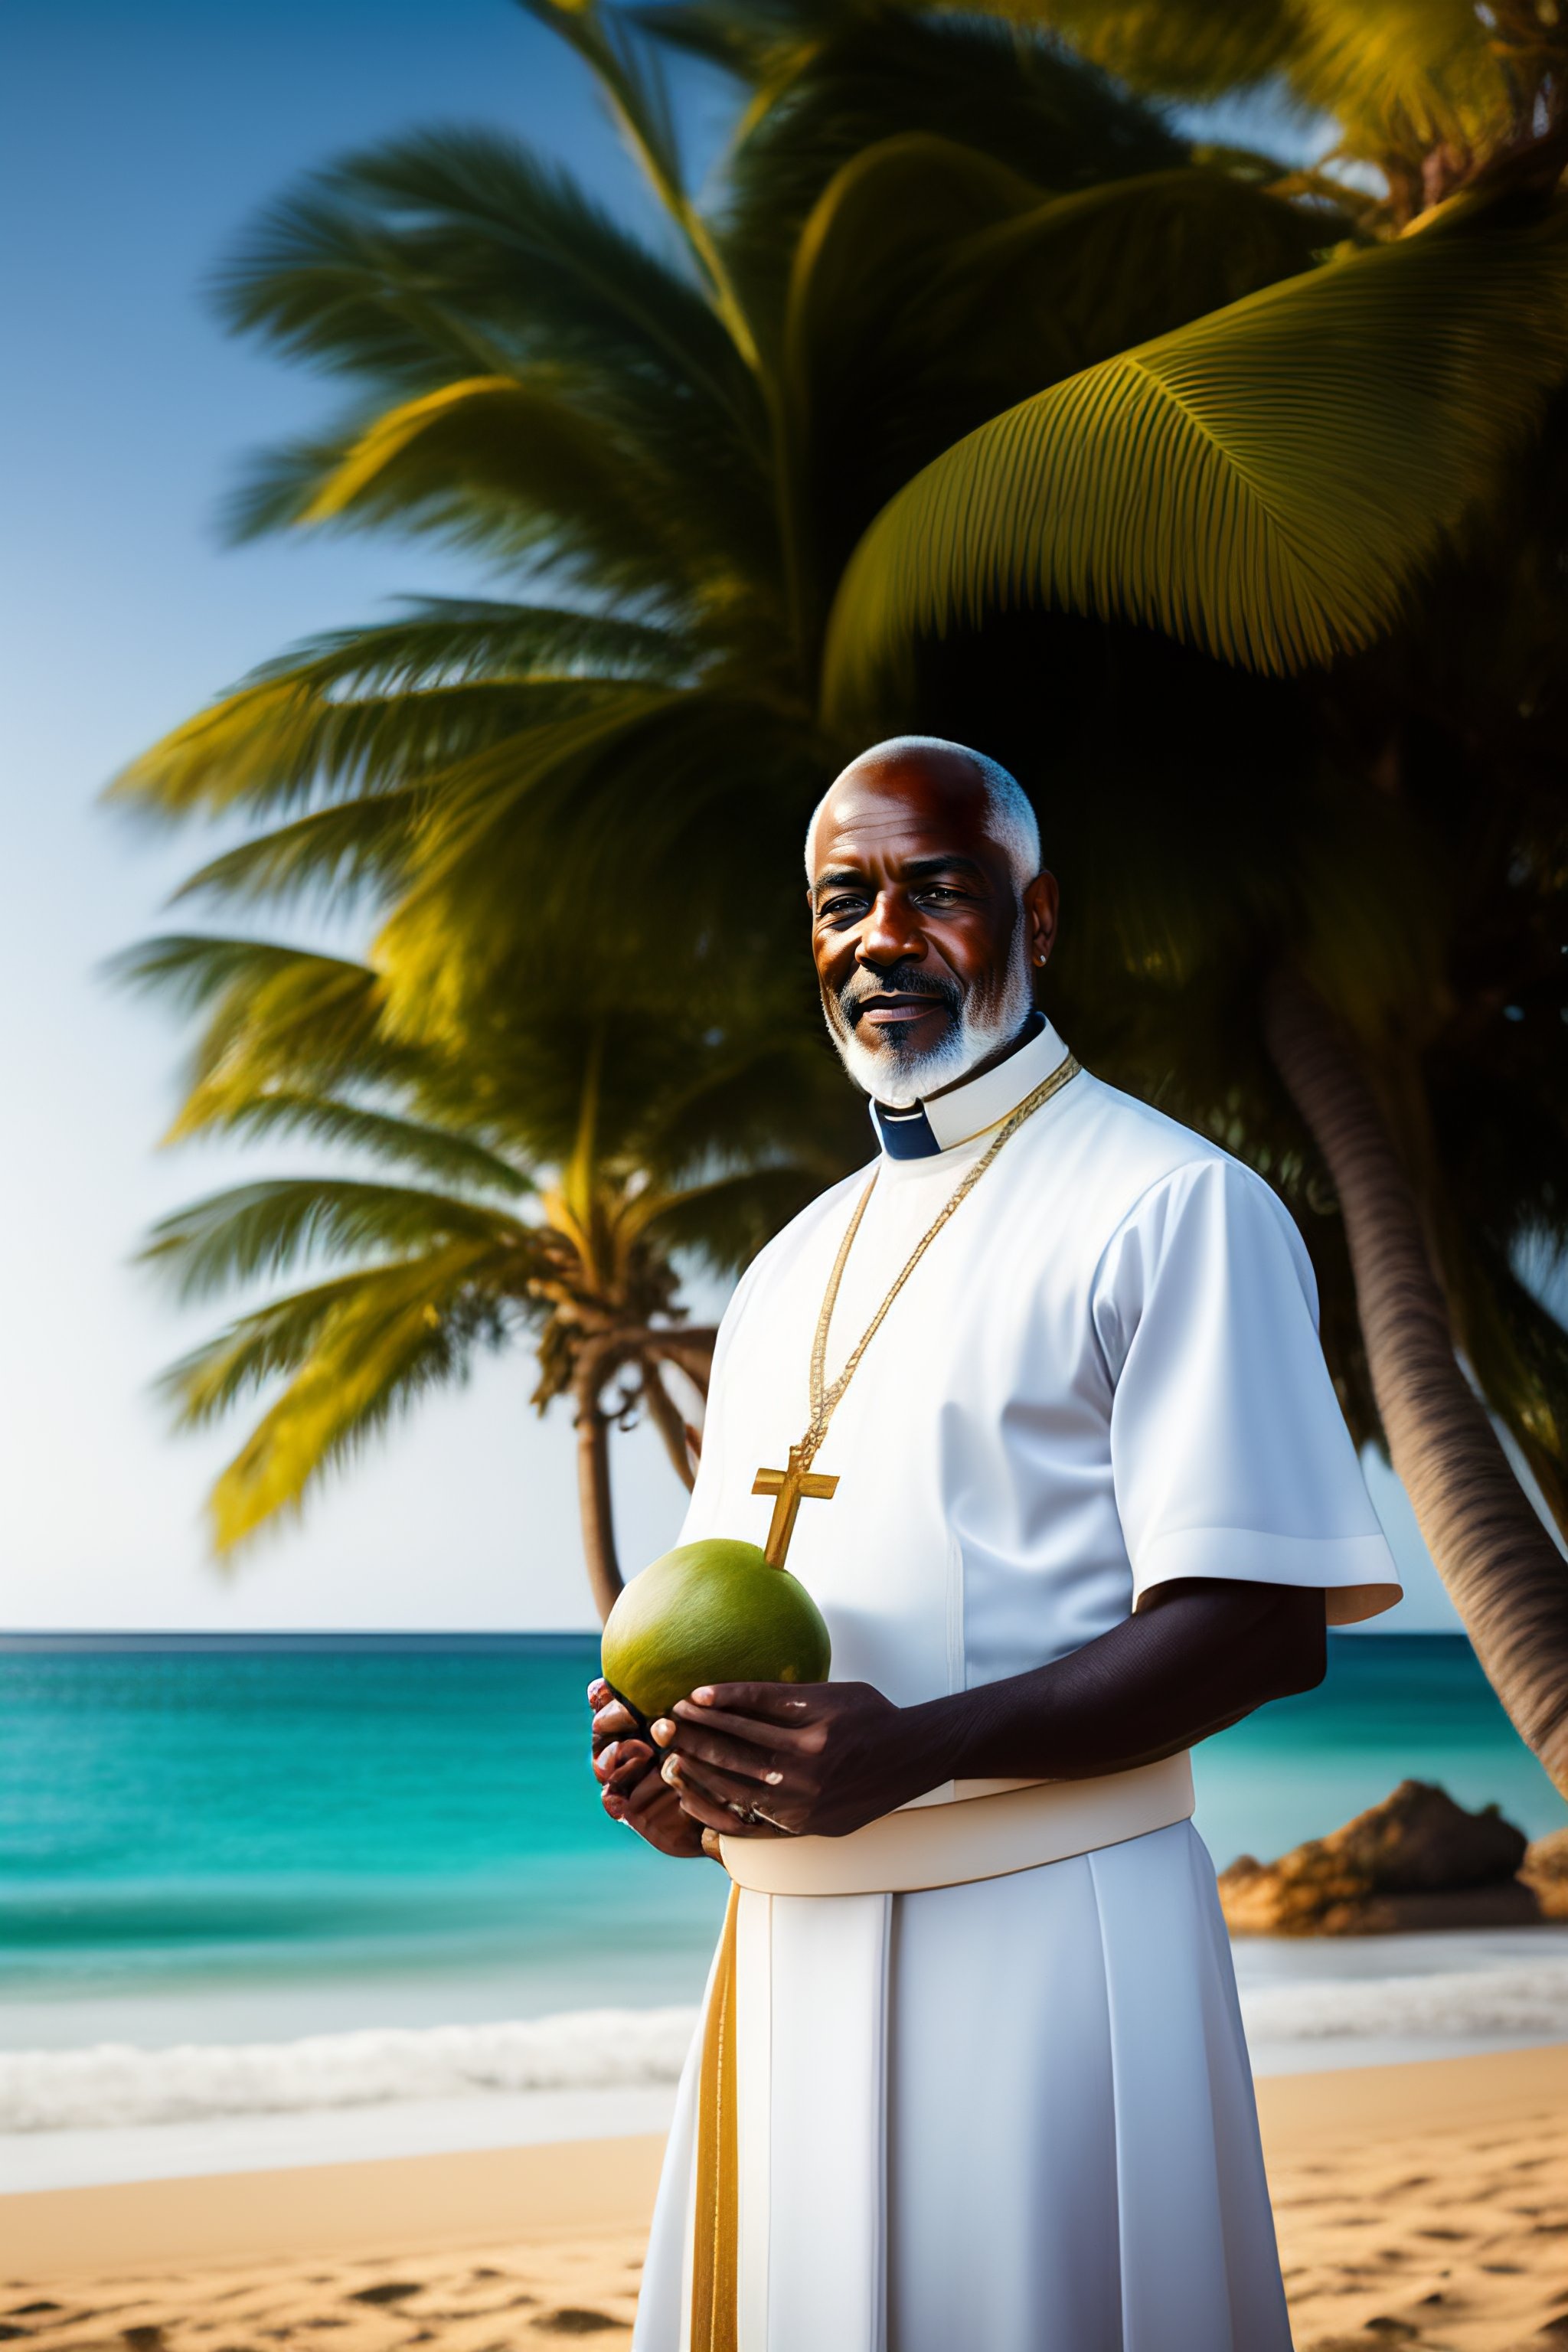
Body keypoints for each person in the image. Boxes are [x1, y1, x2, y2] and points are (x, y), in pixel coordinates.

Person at [590, 737, 1400, 2352]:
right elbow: (741, 1627)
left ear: (1039, 915)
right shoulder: (778, 1272)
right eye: (841, 903)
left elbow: (1258, 1623)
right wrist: (686, 1783)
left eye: (932, 891)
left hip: (1049, 1946)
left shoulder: (1173, 1203)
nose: (880, 939)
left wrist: (915, 1753)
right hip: (779, 1958)